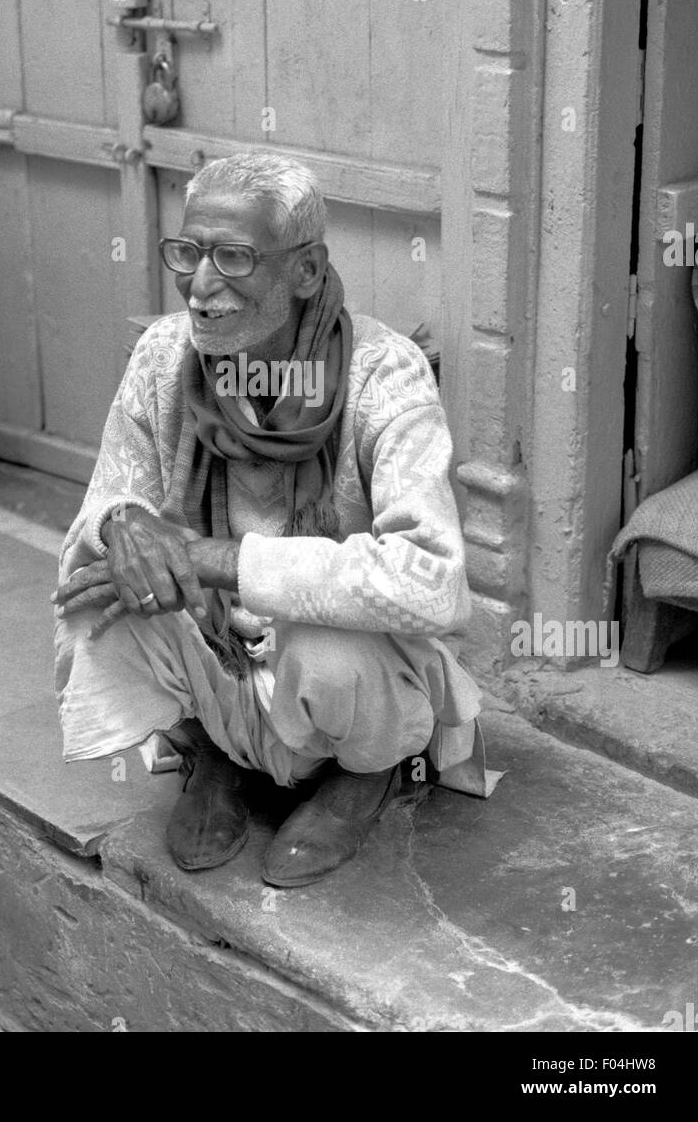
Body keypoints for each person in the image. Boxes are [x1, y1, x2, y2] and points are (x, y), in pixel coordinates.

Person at [52, 152, 497, 888]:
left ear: (306, 272)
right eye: (188, 253)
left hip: (333, 665)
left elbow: (434, 582)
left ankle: (366, 774)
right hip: (220, 642)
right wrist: (123, 523)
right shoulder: (164, 355)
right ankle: (213, 753)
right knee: (98, 592)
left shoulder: (385, 374)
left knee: (325, 645)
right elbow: (109, 495)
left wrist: (220, 559)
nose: (200, 285)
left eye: (233, 258)